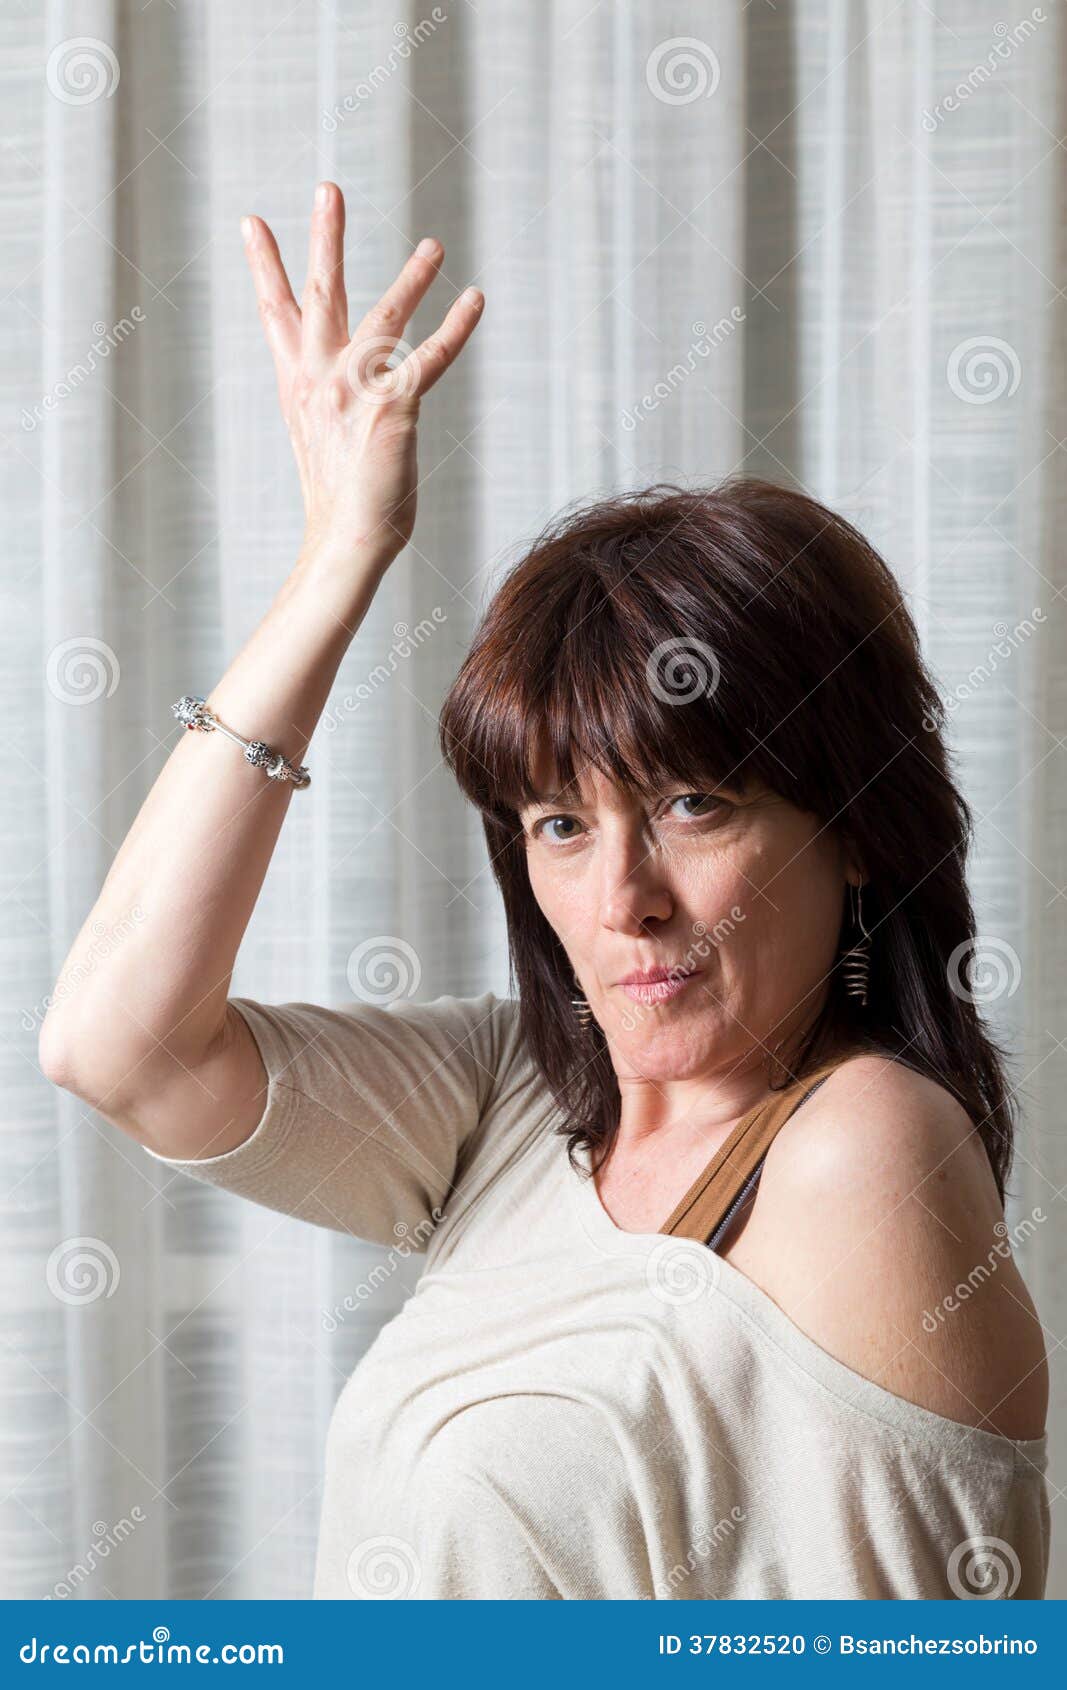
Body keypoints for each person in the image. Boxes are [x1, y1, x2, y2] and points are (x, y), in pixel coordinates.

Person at [40, 182, 1050, 1602]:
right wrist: (337, 559)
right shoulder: (518, 1095)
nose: (624, 897)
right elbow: (115, 1044)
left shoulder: (861, 1148)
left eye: (695, 803)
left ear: (858, 826)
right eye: (562, 824)